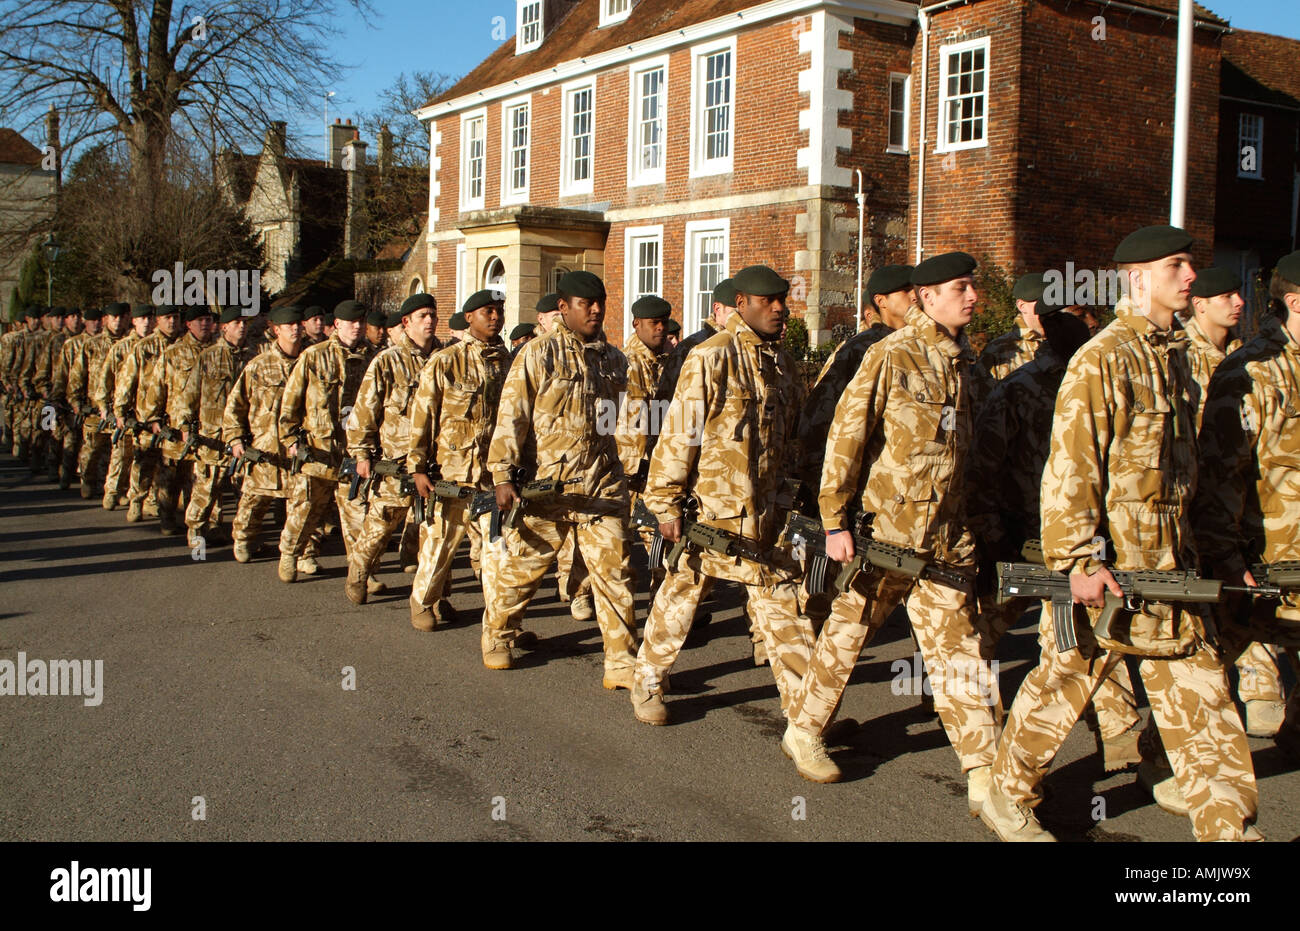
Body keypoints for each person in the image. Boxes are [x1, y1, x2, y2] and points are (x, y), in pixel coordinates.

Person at [979, 225, 1259, 843]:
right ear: (1137, 278)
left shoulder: (1176, 358)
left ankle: (1231, 836)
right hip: (1110, 576)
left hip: (1172, 573)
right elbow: (1072, 465)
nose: (1191, 276)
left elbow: (1190, 472)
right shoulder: (1104, 358)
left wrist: (1217, 550)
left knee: (1208, 704)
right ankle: (1007, 793)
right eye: (1176, 265)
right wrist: (1079, 558)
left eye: (1189, 264)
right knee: (1063, 684)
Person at [784, 252, 1002, 812]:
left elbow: (973, 460)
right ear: (928, 297)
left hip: (946, 542)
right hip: (885, 536)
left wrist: (981, 528)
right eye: (960, 288)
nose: (973, 297)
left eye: (972, 286)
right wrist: (834, 520)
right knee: (847, 634)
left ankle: (985, 773)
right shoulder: (892, 354)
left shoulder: (968, 367)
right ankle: (804, 730)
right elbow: (847, 435)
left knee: (961, 652)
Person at [631, 265, 815, 726]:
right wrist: (665, 503)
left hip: (767, 518)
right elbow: (680, 433)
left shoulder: (783, 364)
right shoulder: (712, 356)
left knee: (785, 609)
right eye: (768, 301)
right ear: (742, 304)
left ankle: (808, 719)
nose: (779, 308)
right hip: (712, 515)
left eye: (783, 300)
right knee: (680, 598)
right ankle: (648, 681)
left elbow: (793, 437)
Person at [966, 305, 1143, 772]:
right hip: (1025, 538)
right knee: (982, 632)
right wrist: (992, 536)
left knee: (1086, 635)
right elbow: (983, 467)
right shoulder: (1018, 388)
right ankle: (977, 726)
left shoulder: (1099, 380)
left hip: (1083, 539)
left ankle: (1119, 734)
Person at [484, 270, 639, 683]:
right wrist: (502, 475)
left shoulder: (615, 360)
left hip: (601, 486)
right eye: (585, 304)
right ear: (564, 308)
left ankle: (621, 663)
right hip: (548, 486)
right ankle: (498, 635)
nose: (595, 310)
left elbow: (623, 422)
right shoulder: (539, 354)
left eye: (600, 303)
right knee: (523, 569)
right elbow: (512, 414)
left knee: (614, 575)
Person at [1195, 249, 1300, 761]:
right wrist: (1226, 558)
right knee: (1206, 669)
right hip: (1265, 558)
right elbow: (1220, 473)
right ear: (1295, 302)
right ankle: (1159, 756)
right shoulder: (1252, 370)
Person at [408, 290, 510, 638]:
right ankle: (423, 601)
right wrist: (418, 468)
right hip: (453, 474)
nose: (495, 317)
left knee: (499, 549)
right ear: (469, 317)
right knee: (441, 545)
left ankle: (500, 624)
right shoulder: (447, 361)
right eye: (487, 311)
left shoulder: (509, 363)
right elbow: (423, 414)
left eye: (499, 311)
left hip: (493, 476)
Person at [344, 294, 440, 605]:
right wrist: (361, 453)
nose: (429, 321)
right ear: (406, 322)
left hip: (436, 463)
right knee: (381, 525)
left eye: (433, 315)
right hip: (396, 463)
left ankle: (434, 597)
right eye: (422, 316)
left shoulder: (446, 358)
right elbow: (365, 411)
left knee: (435, 532)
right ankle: (359, 571)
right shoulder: (388, 361)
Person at [278, 299, 377, 584]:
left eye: (361, 322)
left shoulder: (374, 359)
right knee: (306, 510)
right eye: (351, 322)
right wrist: (291, 438)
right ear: (337, 325)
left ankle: (360, 573)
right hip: (317, 451)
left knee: (358, 515)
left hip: (354, 453)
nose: (357, 327)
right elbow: (291, 401)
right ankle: (290, 554)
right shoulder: (314, 356)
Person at [223, 306, 306, 563]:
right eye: (289, 325)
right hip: (265, 448)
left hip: (300, 448)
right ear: (276, 330)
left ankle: (300, 552)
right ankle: (243, 539)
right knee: (254, 500)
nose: (295, 329)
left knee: (304, 504)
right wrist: (235, 438)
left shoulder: (310, 361)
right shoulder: (259, 365)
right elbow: (236, 404)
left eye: (298, 324)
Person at [177, 307, 258, 548]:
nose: (242, 326)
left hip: (245, 435)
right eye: (236, 323)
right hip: (214, 435)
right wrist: (186, 425)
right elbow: (190, 394)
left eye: (244, 322)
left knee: (248, 490)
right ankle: (196, 531)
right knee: (207, 488)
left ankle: (245, 538)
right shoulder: (209, 357)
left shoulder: (254, 357)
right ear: (224, 328)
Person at [139, 306, 215, 535]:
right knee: (171, 477)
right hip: (176, 427)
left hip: (208, 427)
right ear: (189, 325)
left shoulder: (218, 352)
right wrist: (153, 417)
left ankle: (203, 524)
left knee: (205, 479)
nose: (205, 324)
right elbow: (157, 387)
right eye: (200, 320)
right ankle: (167, 517)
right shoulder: (174, 353)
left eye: (208, 319)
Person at [116, 304, 182, 523]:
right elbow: (128, 380)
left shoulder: (184, 347)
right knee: (144, 463)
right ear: (158, 320)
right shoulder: (144, 347)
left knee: (168, 469)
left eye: (175, 317)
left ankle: (164, 511)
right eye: (167, 317)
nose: (172, 322)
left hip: (173, 418)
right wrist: (120, 411)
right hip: (146, 416)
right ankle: (137, 500)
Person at [94, 304, 153, 510]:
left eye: (149, 318)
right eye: (142, 318)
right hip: (126, 411)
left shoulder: (156, 346)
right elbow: (106, 378)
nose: (146, 322)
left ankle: (141, 498)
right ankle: (112, 491)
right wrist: (105, 407)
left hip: (147, 412)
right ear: (134, 321)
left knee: (144, 458)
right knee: (121, 454)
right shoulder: (121, 348)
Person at [68, 303, 128, 499]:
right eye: (113, 317)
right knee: (92, 449)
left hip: (120, 409)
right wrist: (75, 400)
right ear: (106, 320)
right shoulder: (91, 345)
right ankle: (87, 479)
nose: (117, 321)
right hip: (95, 408)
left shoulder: (130, 344)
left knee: (117, 451)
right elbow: (77, 375)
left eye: (121, 317)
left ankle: (112, 488)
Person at [971, 272, 1048, 408]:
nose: (1049, 308)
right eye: (1042, 302)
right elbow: (983, 407)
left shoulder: (1066, 343)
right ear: (1022, 306)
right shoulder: (999, 351)